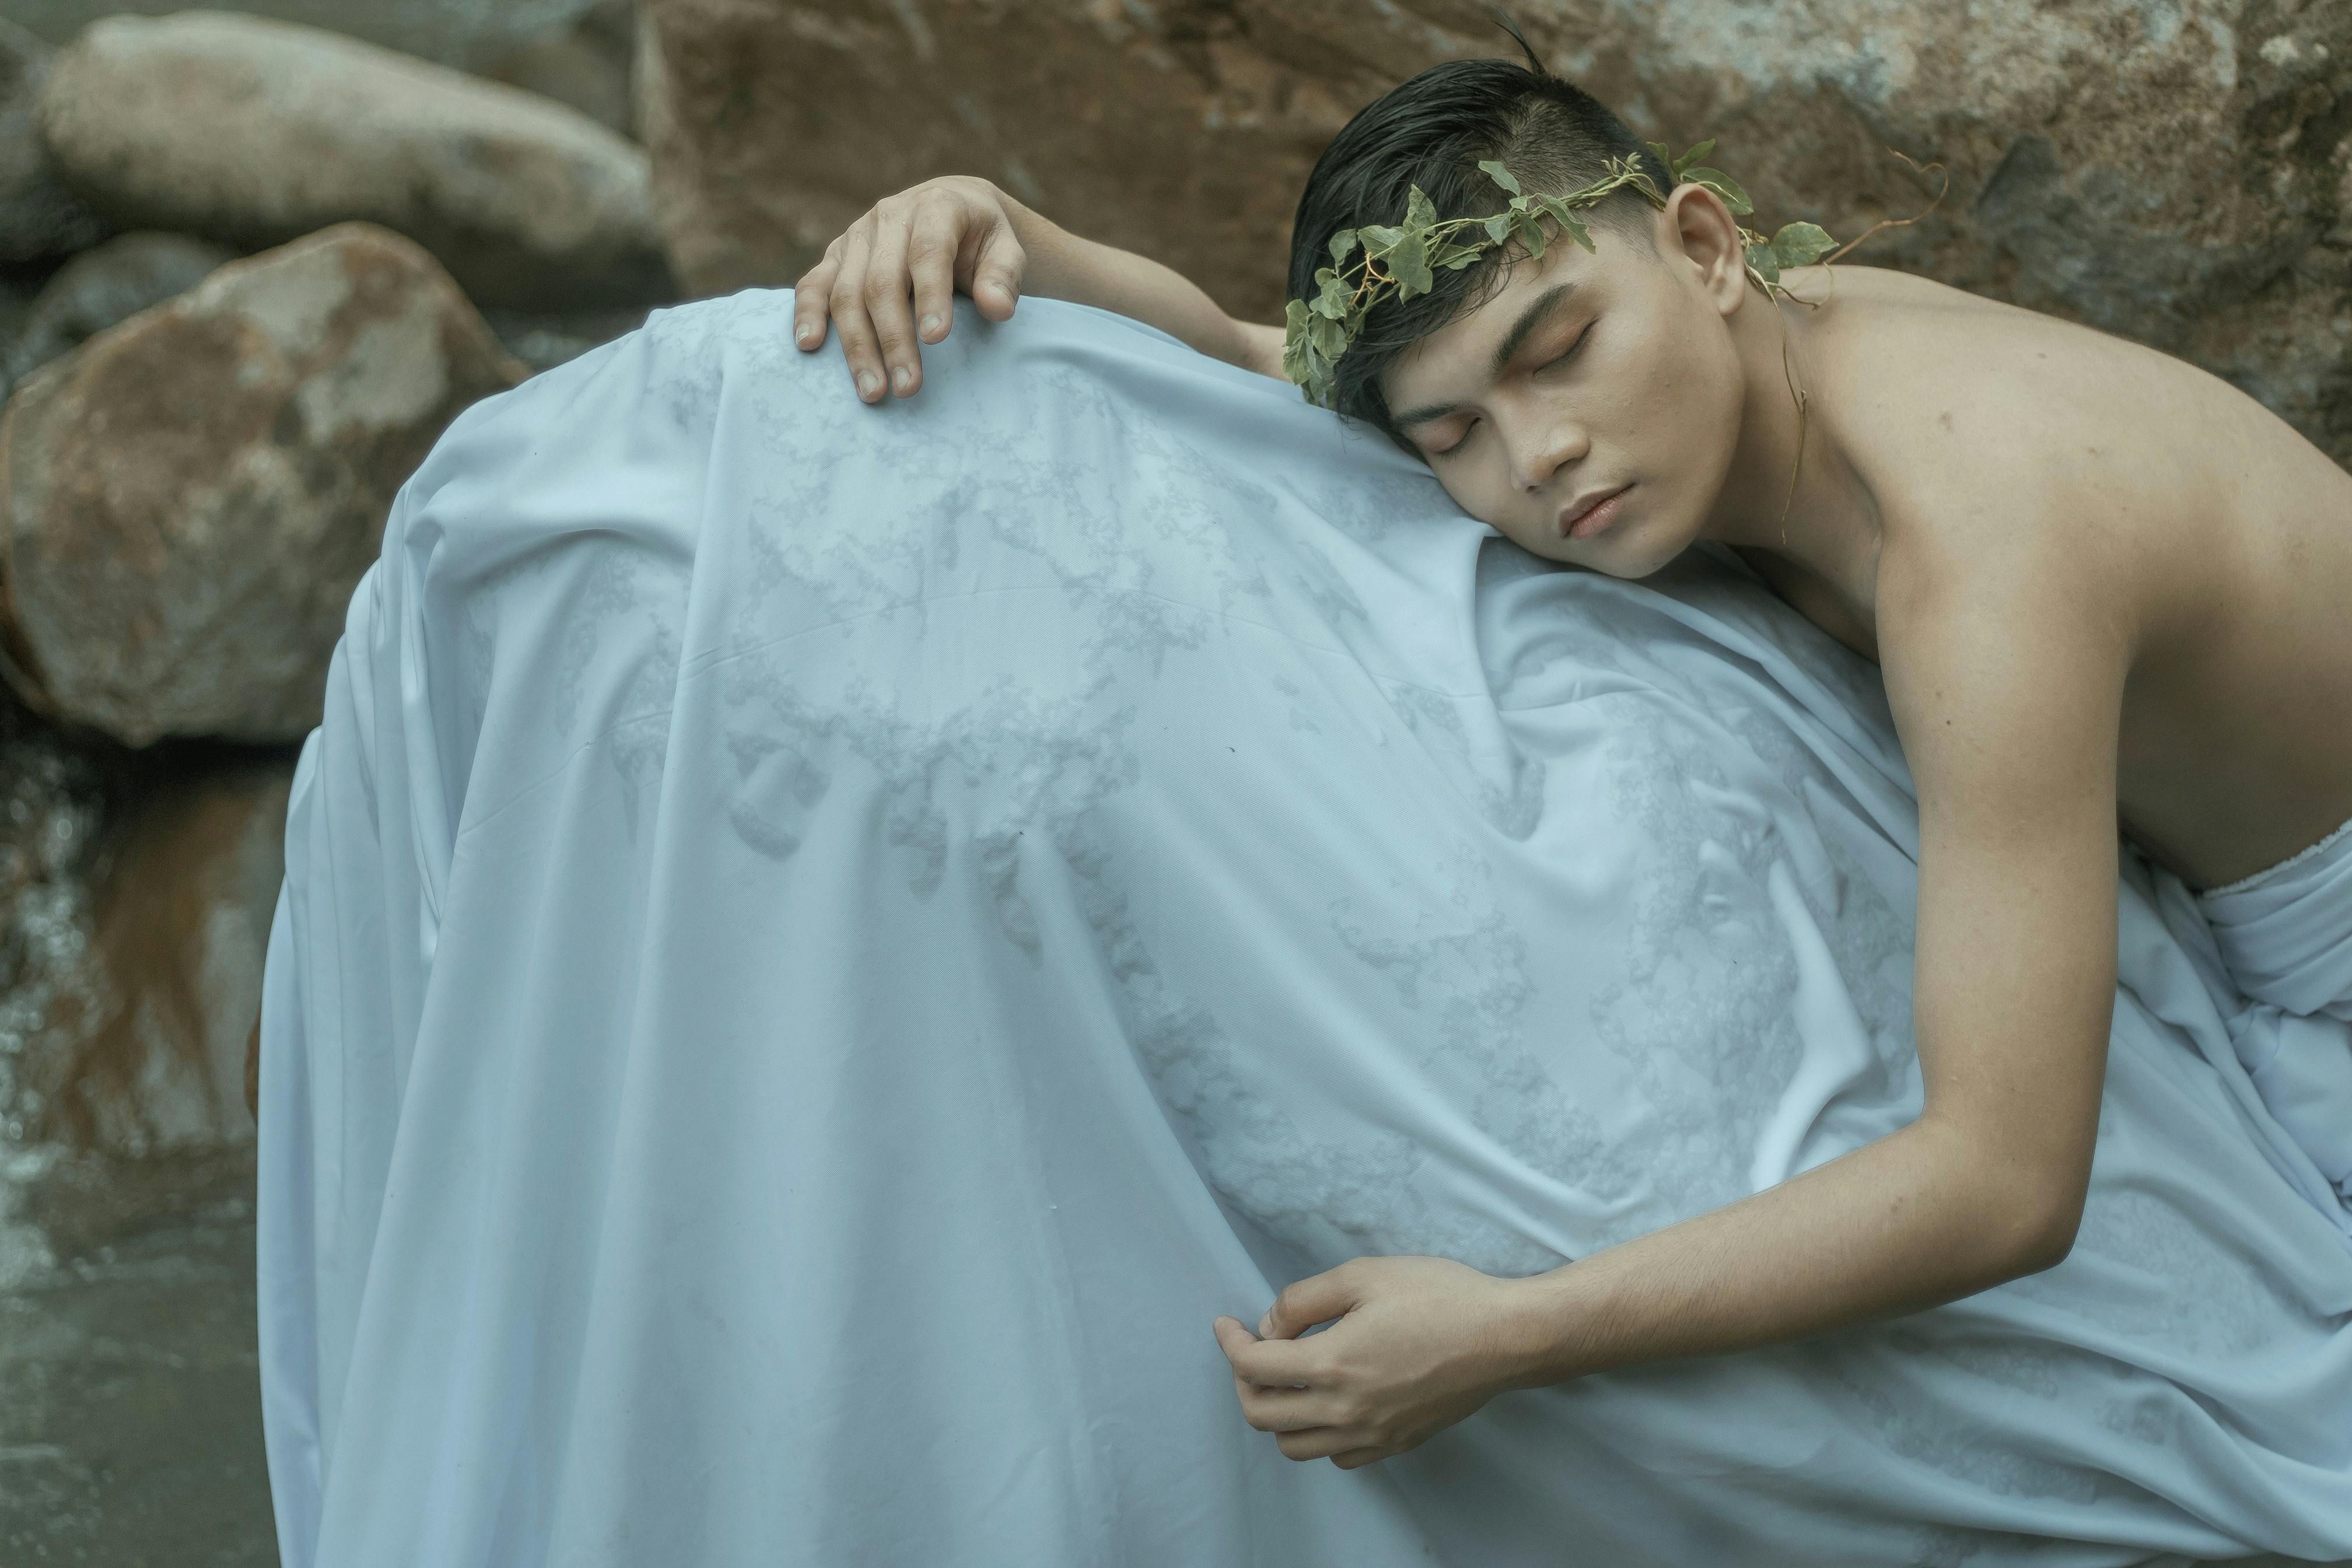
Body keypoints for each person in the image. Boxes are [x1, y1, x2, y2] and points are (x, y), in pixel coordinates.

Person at [787, 41, 2352, 1474]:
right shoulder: (1739, 359)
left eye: (1559, 352)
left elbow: (2005, 1185)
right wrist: (999, 224)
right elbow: (1251, 357)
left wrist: (1512, 1331)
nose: (1536, 455)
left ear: (1702, 245)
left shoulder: (1986, 543)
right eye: (1450, 436)